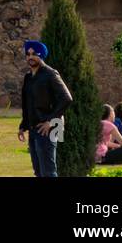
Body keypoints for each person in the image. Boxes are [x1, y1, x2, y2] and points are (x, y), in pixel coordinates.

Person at [17, 39, 73, 178]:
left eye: (34, 54)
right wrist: (23, 125)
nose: (30, 57)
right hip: (34, 126)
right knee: (38, 171)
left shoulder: (50, 74)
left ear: (41, 56)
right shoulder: (29, 77)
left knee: (48, 171)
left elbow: (66, 98)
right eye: (28, 54)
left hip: (50, 127)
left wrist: (51, 121)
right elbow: (27, 103)